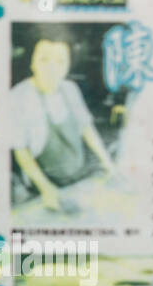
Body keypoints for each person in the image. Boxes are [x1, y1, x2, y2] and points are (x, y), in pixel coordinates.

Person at [10, 34, 117, 211]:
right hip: (41, 185)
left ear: (68, 65)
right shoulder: (18, 97)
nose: (52, 68)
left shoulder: (70, 89)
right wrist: (46, 188)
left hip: (78, 175)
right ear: (32, 62)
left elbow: (86, 128)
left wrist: (107, 162)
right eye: (44, 60)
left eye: (60, 61)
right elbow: (21, 153)